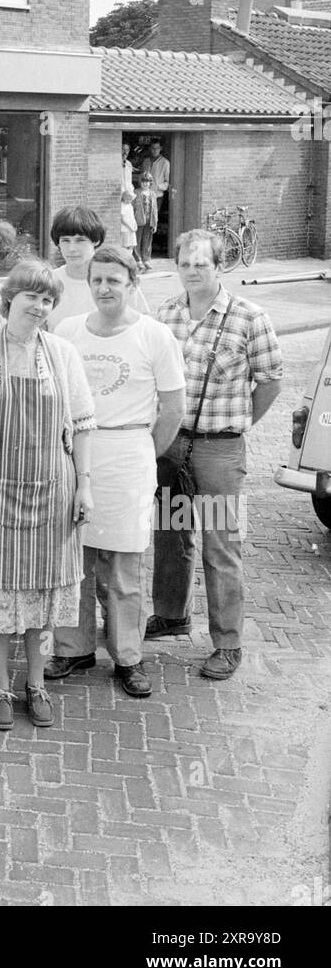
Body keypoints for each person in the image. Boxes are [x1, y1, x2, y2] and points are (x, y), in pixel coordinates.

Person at [0, 261, 96, 730]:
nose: (39, 306)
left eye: (48, 300)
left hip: (53, 491)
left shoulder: (64, 353)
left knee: (42, 597)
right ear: (10, 299)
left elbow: (84, 425)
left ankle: (37, 683)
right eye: (31, 296)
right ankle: (0, 685)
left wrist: (84, 484)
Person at [47, 245, 186, 697]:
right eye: (97, 280)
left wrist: (142, 450)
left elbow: (173, 409)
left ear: (132, 284)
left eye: (114, 280)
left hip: (129, 453)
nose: (105, 288)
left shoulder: (155, 336)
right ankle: (73, 648)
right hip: (77, 455)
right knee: (75, 560)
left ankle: (127, 655)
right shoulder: (68, 330)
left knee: (124, 565)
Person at [147, 229, 282, 680]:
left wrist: (236, 426)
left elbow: (270, 380)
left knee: (221, 546)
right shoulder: (166, 312)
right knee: (172, 534)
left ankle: (228, 642)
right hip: (173, 443)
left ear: (218, 266)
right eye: (185, 263)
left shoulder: (249, 316)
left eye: (201, 264)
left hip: (219, 449)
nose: (191, 271)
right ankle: (171, 614)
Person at [47, 206, 149, 331]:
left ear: (96, 240)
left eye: (80, 240)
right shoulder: (49, 282)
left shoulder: (117, 280)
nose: (72, 248)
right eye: (65, 241)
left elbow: (143, 326)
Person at [133, 173, 158, 272]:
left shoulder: (153, 194)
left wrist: (155, 223)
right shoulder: (136, 192)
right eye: (143, 182)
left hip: (149, 220)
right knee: (137, 239)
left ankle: (146, 259)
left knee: (147, 240)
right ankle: (137, 259)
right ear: (140, 182)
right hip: (139, 220)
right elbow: (132, 207)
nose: (145, 184)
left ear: (150, 183)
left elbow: (155, 210)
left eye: (147, 182)